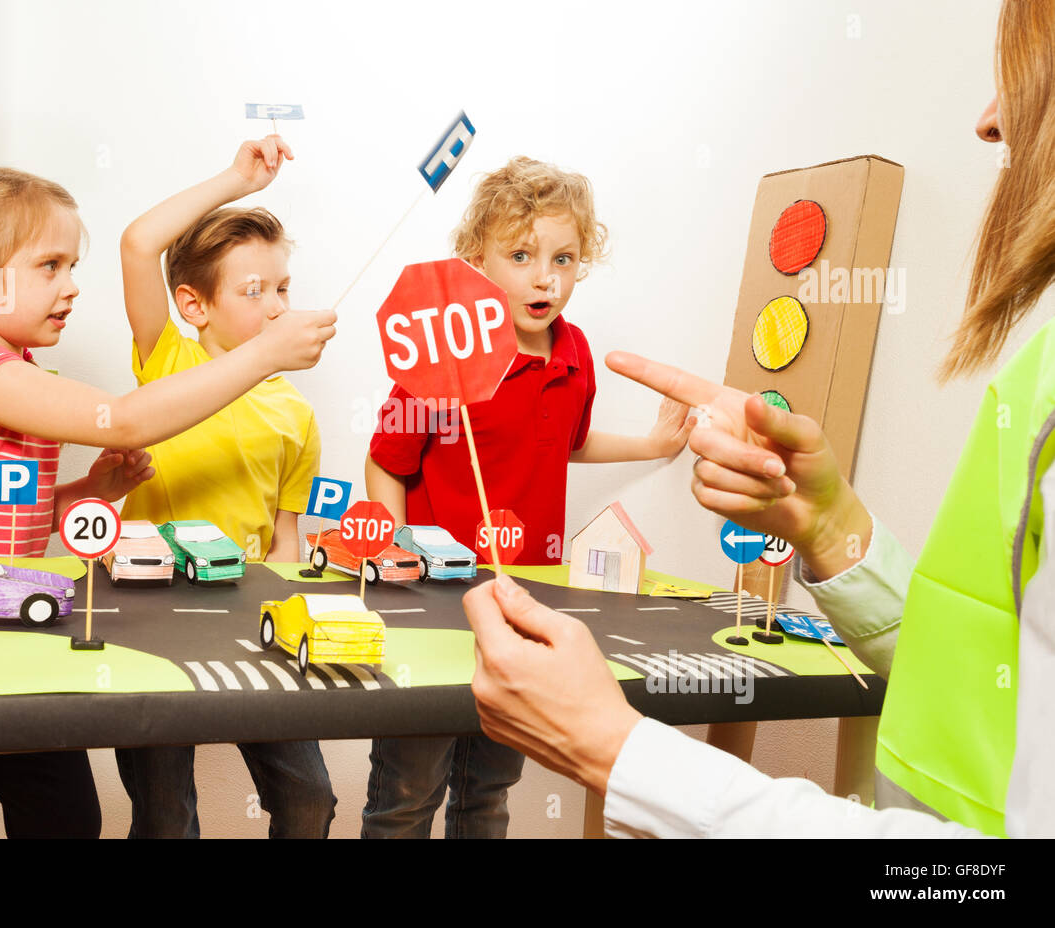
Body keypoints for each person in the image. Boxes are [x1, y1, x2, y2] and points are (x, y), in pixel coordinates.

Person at [462, 0, 1055, 838]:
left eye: (1029, 68)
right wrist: (832, 528)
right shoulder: (1043, 369)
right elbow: (1005, 675)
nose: (992, 119)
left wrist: (621, 752)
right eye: (522, 256)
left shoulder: (573, 354)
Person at [0, 164, 335, 838]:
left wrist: (85, 494)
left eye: (71, 266)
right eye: (50, 266)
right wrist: (266, 353)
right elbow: (127, 418)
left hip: (6, 643)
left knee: (66, 821)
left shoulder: (12, 369)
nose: (72, 286)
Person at [361, 156, 696, 838]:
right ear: (476, 263)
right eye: (520, 255)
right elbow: (384, 462)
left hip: (525, 602)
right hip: (434, 603)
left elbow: (566, 443)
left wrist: (652, 446)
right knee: (407, 795)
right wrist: (397, 553)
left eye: (564, 258)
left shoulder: (573, 355)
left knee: (488, 793)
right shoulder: (443, 356)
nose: (545, 277)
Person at [113, 136, 337, 838]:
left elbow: (284, 535)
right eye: (253, 291)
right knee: (166, 815)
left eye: (283, 289)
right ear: (194, 304)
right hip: (152, 621)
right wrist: (237, 180)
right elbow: (138, 241)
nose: (276, 308)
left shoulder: (295, 413)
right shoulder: (166, 359)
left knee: (308, 800)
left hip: (254, 622)